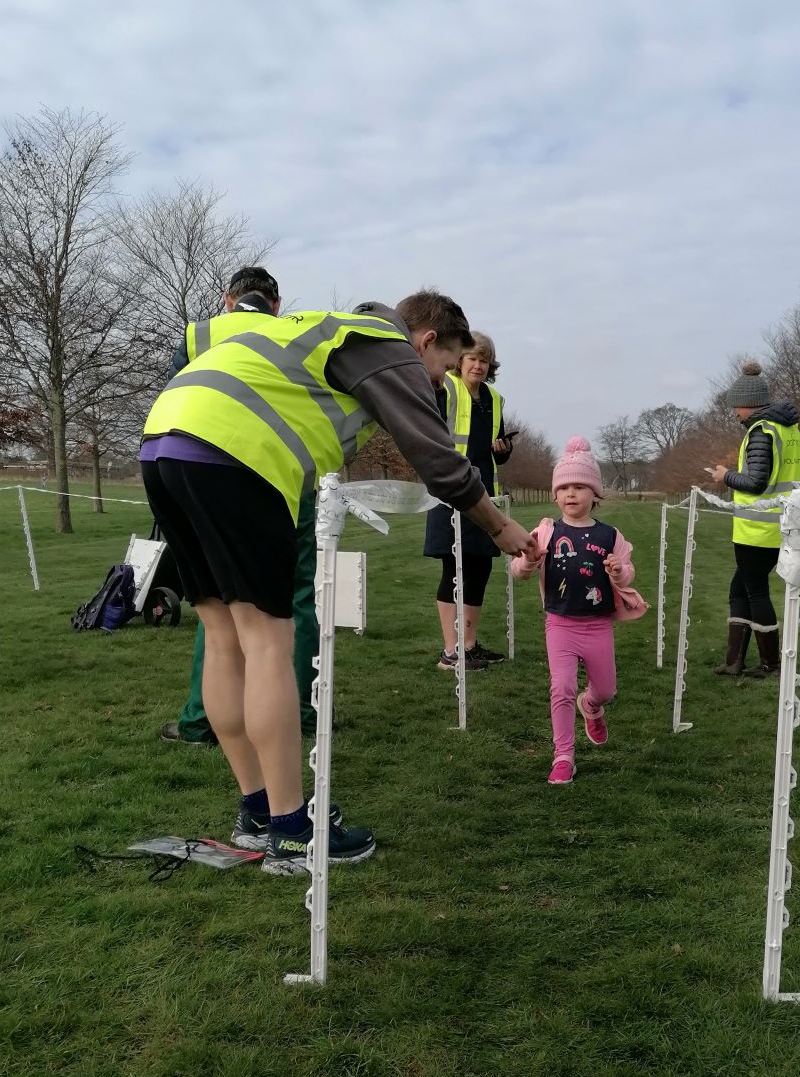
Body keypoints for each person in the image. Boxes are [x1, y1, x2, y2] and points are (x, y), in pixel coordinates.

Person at [141, 290, 535, 873]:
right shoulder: (386, 344)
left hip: (163, 443)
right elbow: (436, 459)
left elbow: (204, 346)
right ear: (426, 341)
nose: (443, 383)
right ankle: (293, 828)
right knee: (268, 642)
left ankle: (255, 812)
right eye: (447, 368)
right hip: (235, 456)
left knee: (224, 640)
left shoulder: (317, 328)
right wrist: (501, 528)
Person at [156, 265, 320, 747]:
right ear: (276, 304)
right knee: (297, 598)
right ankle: (304, 711)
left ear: (228, 299)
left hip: (211, 477)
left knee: (218, 599)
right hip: (287, 478)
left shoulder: (200, 336)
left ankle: (202, 721)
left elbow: (178, 400)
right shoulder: (295, 337)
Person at [511, 437, 646, 784]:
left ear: (595, 495)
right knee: (562, 688)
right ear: (555, 494)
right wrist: (528, 561)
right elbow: (518, 571)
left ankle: (592, 706)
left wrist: (618, 571)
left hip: (598, 625)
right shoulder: (546, 532)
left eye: (580, 487)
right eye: (565, 487)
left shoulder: (610, 535)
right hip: (560, 624)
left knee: (606, 690)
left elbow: (627, 571)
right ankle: (563, 756)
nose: (572, 494)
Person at [704, 360, 800, 680]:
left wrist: (725, 476)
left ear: (749, 403)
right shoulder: (788, 430)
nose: (734, 413)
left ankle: (770, 664)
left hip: (757, 528)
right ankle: (735, 661)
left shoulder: (761, 431)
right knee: (740, 590)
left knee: (755, 591)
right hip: (778, 525)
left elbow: (757, 482)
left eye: (737, 406)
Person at [424, 332, 513, 670]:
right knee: (454, 568)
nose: (478, 365)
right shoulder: (444, 387)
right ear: (460, 361)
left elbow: (497, 451)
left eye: (484, 360)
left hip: (483, 495)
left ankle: (469, 646)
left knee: (479, 567)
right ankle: (451, 652)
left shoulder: (494, 399)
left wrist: (504, 449)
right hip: (449, 493)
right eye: (472, 358)